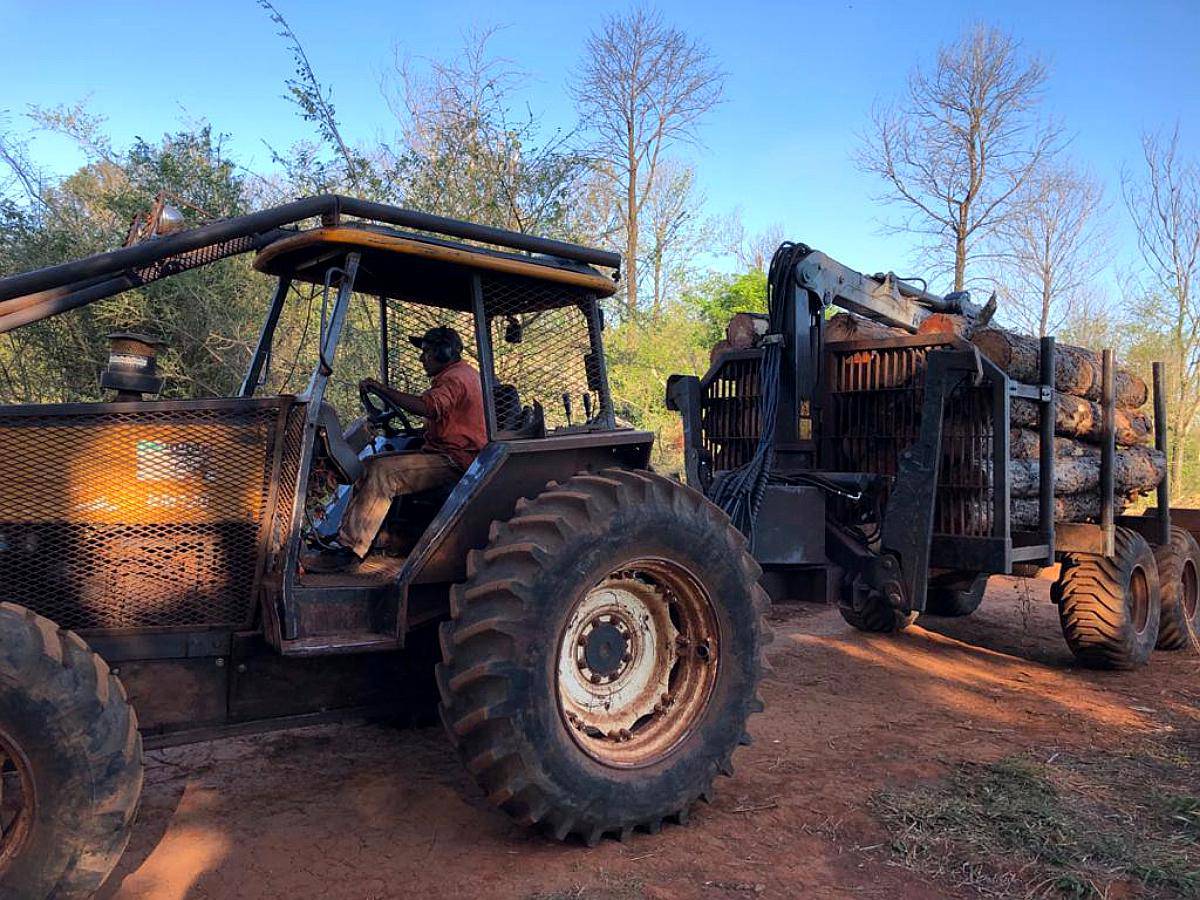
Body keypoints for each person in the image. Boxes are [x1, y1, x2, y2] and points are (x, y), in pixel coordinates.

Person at [306, 326, 486, 572]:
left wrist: (382, 389)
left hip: (456, 460)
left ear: (445, 353)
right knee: (369, 464)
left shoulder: (456, 378)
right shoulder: (456, 375)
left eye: (427, 351)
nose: (421, 358)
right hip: (440, 452)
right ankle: (356, 537)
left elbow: (428, 407)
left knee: (382, 471)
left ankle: (350, 551)